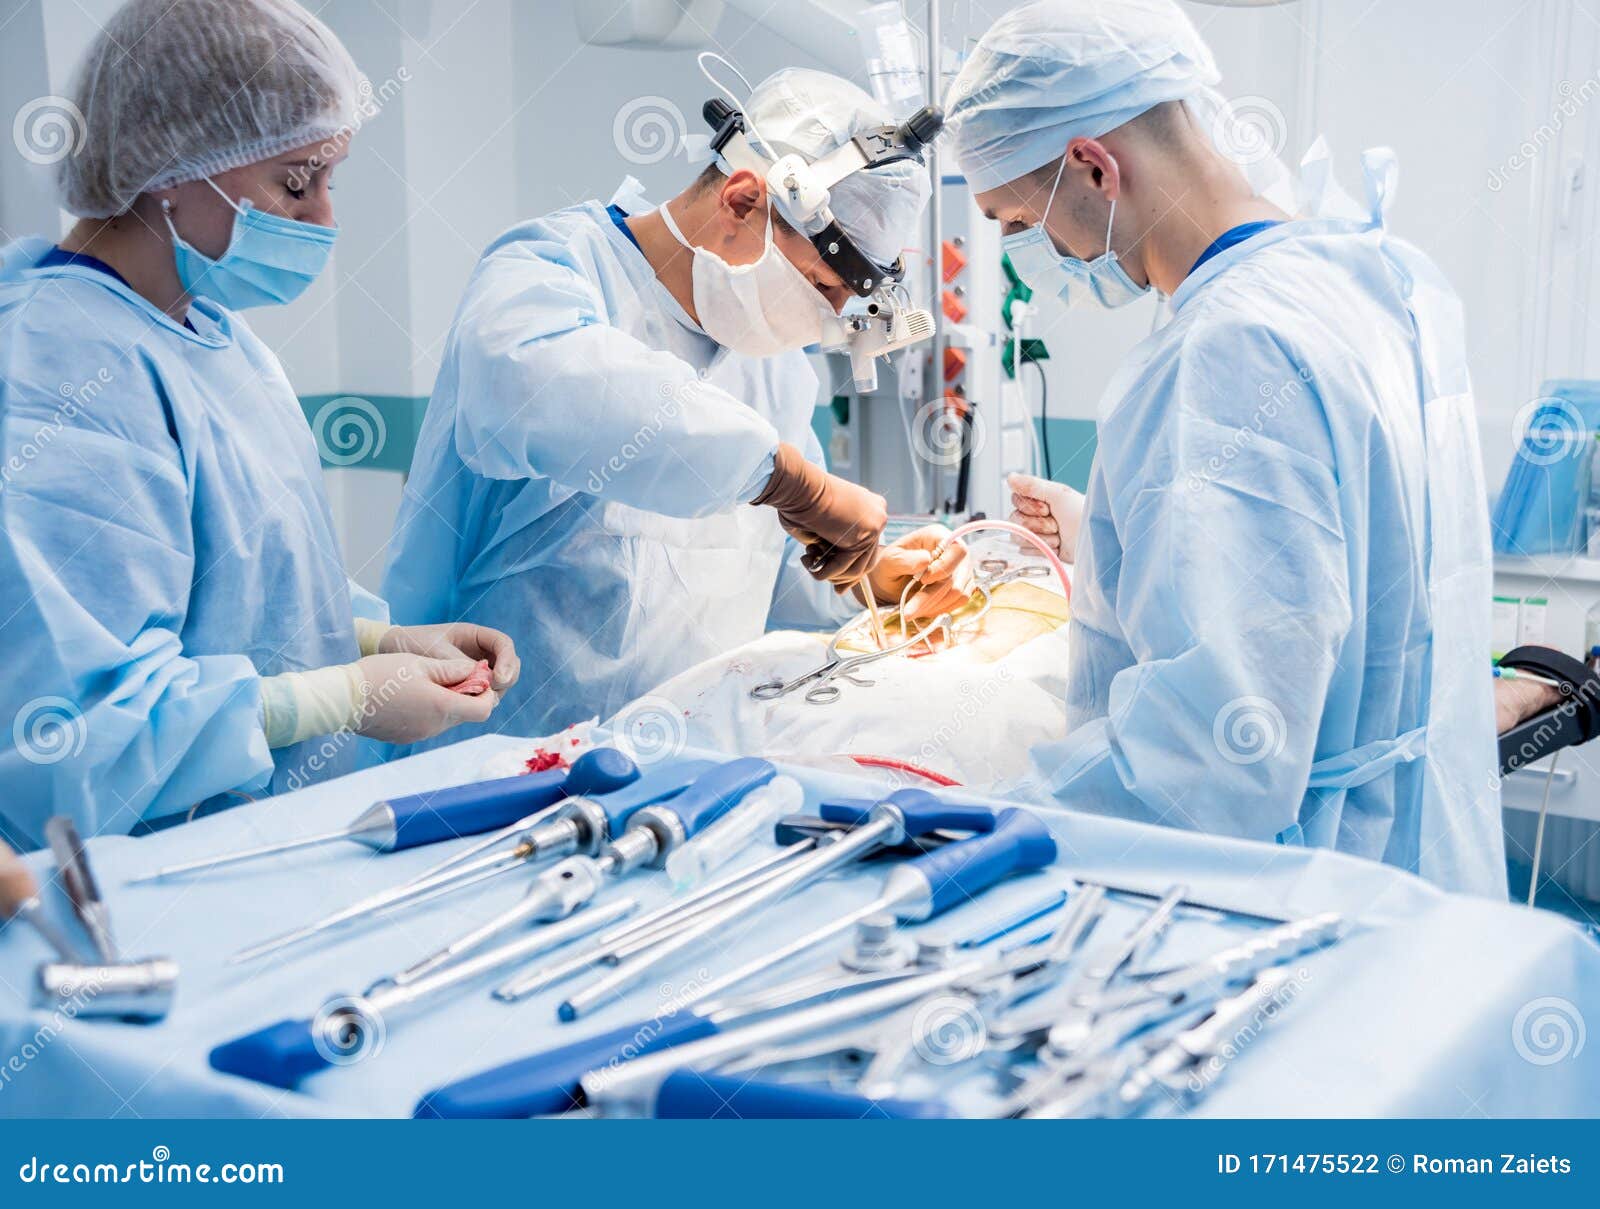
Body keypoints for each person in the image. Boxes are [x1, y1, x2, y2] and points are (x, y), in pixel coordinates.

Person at [944, 0, 1505, 896]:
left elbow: (1211, 759)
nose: (1024, 250)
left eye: (1014, 220)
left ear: (1093, 167)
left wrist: (986, 826)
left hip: (1299, 890)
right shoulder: (1364, 277)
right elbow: (1344, 555)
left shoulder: (1228, 348)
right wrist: (1118, 544)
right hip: (1412, 851)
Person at [0, 0, 517, 848]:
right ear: (168, 162)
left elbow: (238, 598)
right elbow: (75, 737)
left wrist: (379, 640)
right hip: (128, 884)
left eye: (330, 180)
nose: (325, 218)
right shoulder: (55, 363)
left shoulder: (218, 337)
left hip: (263, 843)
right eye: (296, 182)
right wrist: (344, 696)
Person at [384, 67, 970, 745]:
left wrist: (865, 575)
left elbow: (759, 567)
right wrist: (788, 480)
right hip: (499, 762)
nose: (823, 321)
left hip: (687, 765)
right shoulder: (548, 272)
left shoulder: (773, 364)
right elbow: (542, 389)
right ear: (743, 201)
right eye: (820, 285)